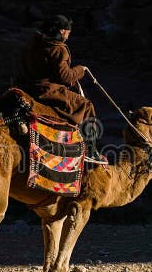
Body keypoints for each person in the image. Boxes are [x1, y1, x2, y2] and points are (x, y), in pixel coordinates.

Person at [17, 15, 106, 164]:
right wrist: (80, 70)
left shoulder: (31, 46)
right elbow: (65, 77)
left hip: (28, 88)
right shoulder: (58, 49)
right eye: (68, 33)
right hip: (48, 91)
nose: (68, 37)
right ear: (62, 31)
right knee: (87, 105)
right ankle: (91, 150)